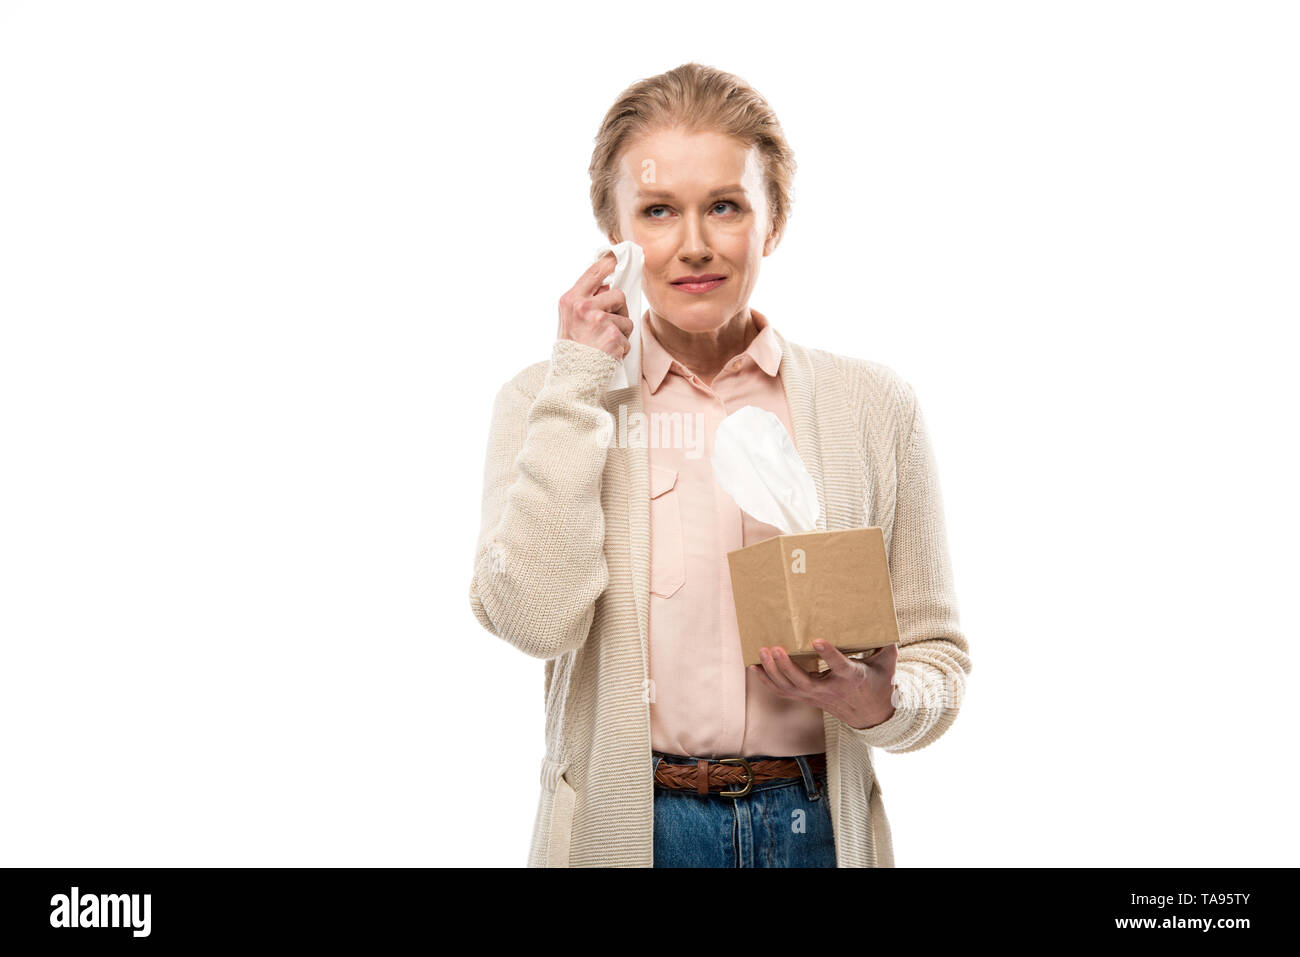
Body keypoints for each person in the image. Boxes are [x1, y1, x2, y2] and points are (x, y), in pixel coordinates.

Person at [468, 62, 971, 867]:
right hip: (631, 830)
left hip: (815, 826)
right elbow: (532, 619)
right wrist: (575, 386)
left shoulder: (873, 407)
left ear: (771, 224)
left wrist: (879, 700)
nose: (694, 244)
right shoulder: (548, 399)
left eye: (726, 207)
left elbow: (939, 662)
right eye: (658, 211)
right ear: (617, 235)